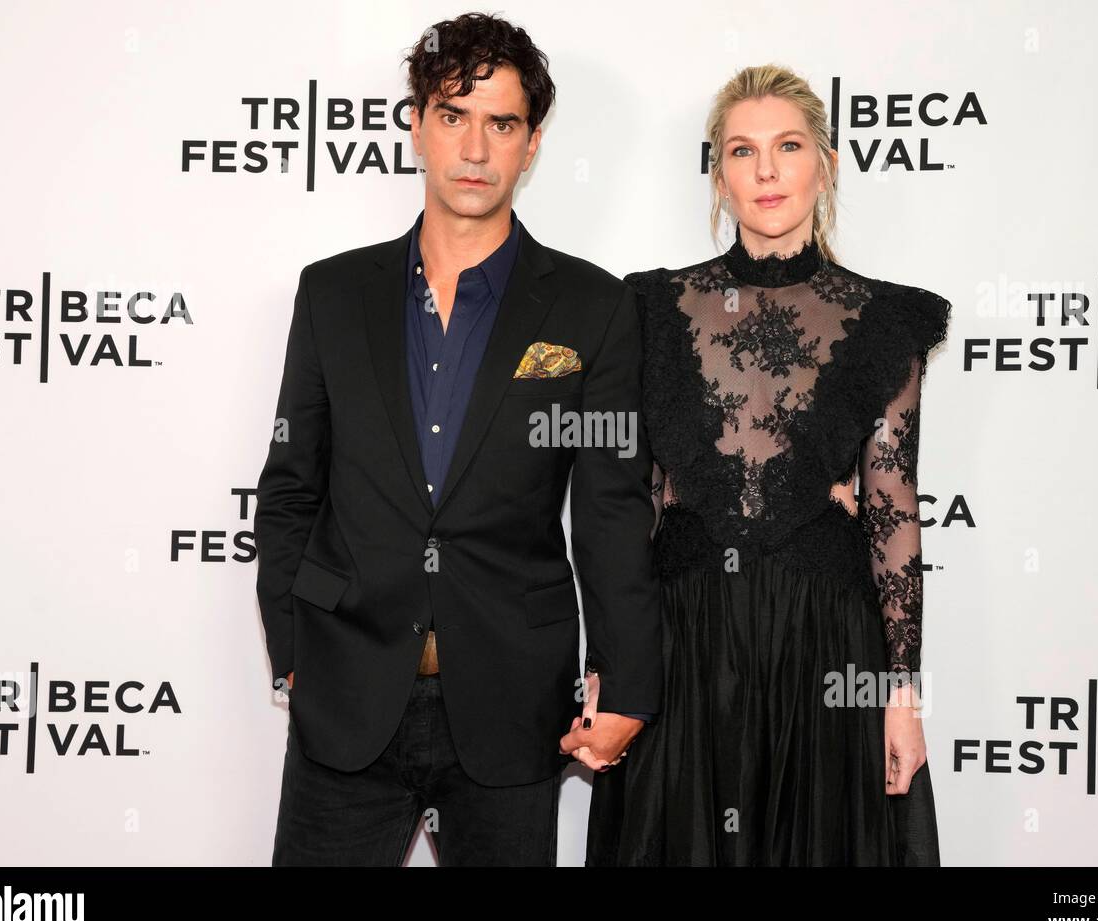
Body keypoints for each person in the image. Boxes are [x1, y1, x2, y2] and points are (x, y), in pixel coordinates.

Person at [255, 12, 660, 866]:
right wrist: (293, 646)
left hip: (512, 700)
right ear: (416, 126)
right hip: (346, 691)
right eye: (453, 115)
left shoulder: (592, 307)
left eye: (501, 123)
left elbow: (612, 512)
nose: (475, 148)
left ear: (532, 144)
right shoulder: (332, 293)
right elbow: (294, 482)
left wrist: (624, 680)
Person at [586, 64, 947, 865]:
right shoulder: (648, 307)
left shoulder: (884, 320)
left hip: (824, 645)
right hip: (684, 642)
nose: (768, 170)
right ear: (720, 175)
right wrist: (609, 662)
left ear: (825, 162)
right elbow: (631, 505)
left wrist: (901, 695)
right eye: (742, 151)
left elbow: (890, 507)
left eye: (787, 146)